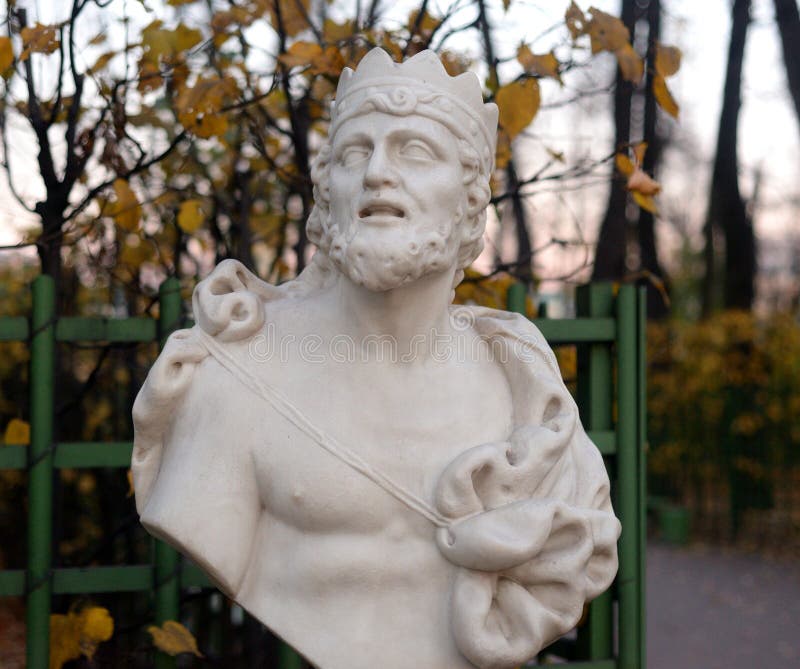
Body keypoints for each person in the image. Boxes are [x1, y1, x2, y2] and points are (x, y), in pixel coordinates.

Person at [132, 48, 620, 669]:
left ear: (470, 202)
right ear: (325, 193)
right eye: (354, 152)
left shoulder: (523, 391)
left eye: (415, 151)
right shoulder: (233, 370)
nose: (377, 174)